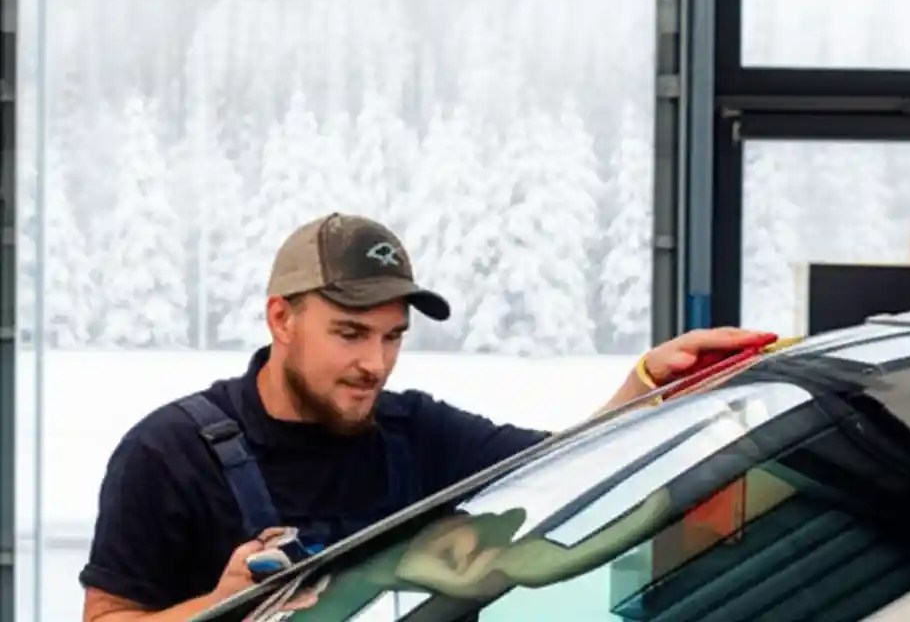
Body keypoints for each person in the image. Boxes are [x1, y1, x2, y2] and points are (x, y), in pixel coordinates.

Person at [79, 212, 776, 621]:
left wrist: (648, 384)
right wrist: (219, 608)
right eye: (351, 334)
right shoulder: (167, 454)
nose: (375, 365)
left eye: (393, 337)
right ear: (281, 318)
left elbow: (567, 461)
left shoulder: (417, 434)